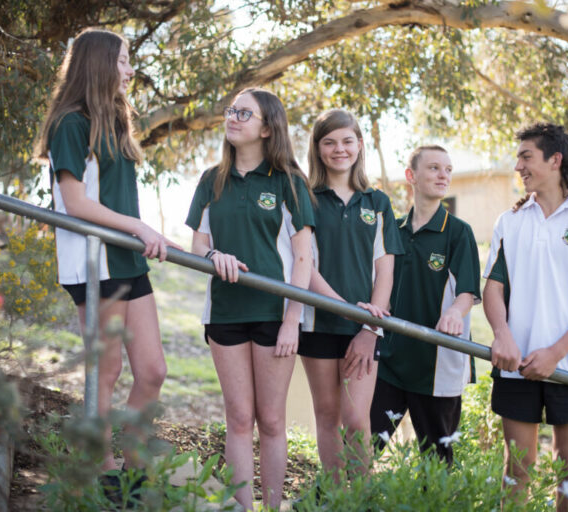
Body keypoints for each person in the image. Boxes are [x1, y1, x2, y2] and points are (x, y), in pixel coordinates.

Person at [37, 28, 179, 490]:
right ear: (98, 64)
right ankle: (99, 473)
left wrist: (144, 232)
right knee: (108, 369)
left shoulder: (114, 121)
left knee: (153, 370)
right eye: (121, 61)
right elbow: (75, 203)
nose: (129, 69)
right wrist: (139, 227)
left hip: (126, 259)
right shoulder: (70, 124)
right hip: (95, 262)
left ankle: (133, 470)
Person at [482, 123, 568, 511]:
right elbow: (493, 287)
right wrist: (502, 334)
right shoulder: (509, 221)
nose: (518, 166)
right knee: (518, 468)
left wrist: (556, 352)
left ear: (555, 160)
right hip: (515, 363)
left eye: (526, 156)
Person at [186, 88, 315, 510]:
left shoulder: (288, 182)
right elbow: (197, 247)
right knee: (239, 419)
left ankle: (273, 507)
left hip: (273, 316)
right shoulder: (211, 180)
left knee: (272, 421)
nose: (233, 118)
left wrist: (293, 319)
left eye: (245, 112)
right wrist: (212, 255)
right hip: (224, 313)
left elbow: (302, 257)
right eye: (231, 111)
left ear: (266, 127)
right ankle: (242, 508)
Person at [298, 109, 402, 477]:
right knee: (327, 416)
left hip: (365, 329)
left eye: (346, 141)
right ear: (318, 148)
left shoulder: (377, 202)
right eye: (329, 142)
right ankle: (335, 496)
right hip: (316, 324)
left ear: (359, 145)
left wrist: (367, 327)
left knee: (357, 419)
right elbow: (304, 266)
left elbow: (384, 270)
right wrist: (346, 311)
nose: (339, 149)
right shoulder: (305, 197)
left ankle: (360, 498)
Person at [369, 145, 481, 465]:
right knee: (360, 449)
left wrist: (454, 313)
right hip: (390, 360)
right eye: (433, 168)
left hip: (436, 367)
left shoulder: (458, 233)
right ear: (411, 176)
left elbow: (467, 292)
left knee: (436, 464)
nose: (443, 174)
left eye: (447, 169)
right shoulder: (394, 230)